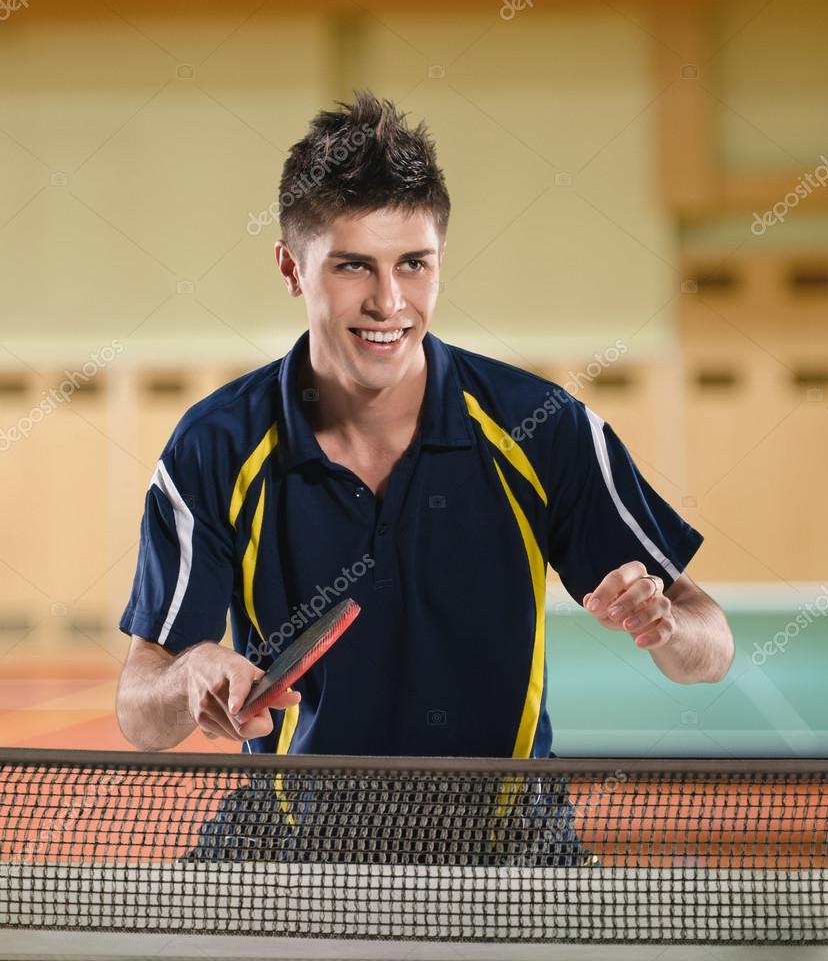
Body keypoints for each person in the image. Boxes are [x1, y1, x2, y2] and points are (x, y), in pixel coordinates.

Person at [115, 90, 733, 864]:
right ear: (290, 267)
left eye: (413, 264)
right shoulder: (215, 446)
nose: (389, 302)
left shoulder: (541, 427)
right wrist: (188, 677)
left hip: (507, 845)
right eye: (353, 266)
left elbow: (711, 645)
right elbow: (140, 711)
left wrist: (665, 628)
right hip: (292, 844)